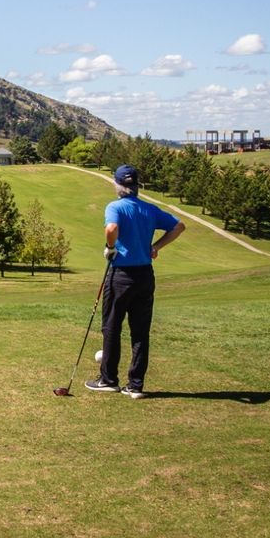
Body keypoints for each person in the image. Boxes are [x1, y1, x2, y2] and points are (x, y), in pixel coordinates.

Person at [86, 164, 185, 399]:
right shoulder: (149, 209)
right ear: (136, 186)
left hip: (120, 276)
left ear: (118, 185)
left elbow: (111, 228)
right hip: (145, 276)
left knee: (111, 327)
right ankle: (135, 386)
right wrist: (156, 246)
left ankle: (108, 380)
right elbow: (179, 226)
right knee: (140, 332)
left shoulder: (115, 207)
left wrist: (110, 247)